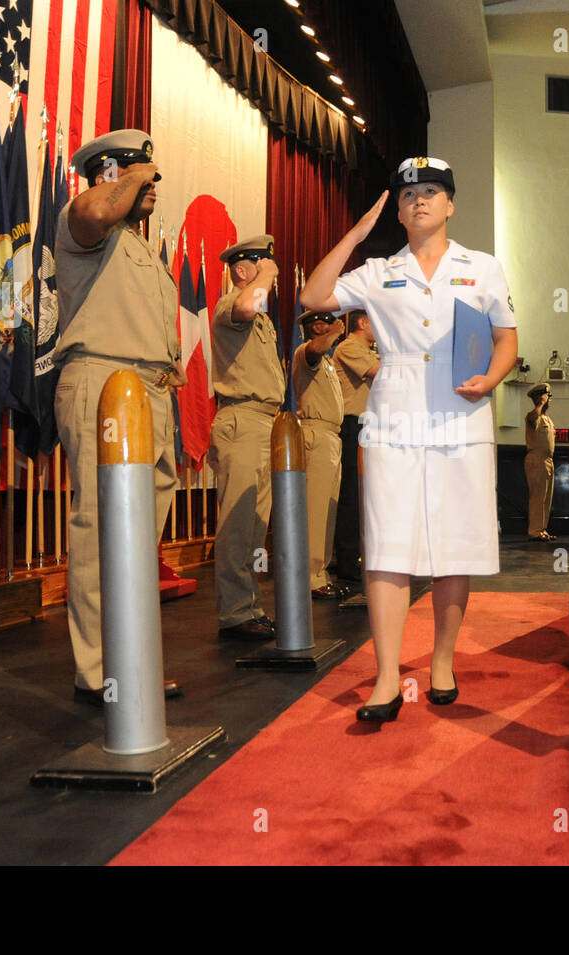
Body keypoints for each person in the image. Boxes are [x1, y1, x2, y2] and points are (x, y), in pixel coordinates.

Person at [299, 156, 519, 722]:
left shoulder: (484, 267)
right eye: (407, 194)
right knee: (387, 540)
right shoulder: (376, 270)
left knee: (454, 542)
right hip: (394, 413)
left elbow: (506, 342)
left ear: (450, 204)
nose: (419, 200)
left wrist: (491, 380)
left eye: (431, 191)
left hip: (460, 412)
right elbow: (313, 297)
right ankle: (387, 676)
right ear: (396, 210)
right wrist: (356, 233)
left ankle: (443, 660)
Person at [52, 128, 182, 705]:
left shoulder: (136, 246)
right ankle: (100, 670)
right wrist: (131, 175)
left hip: (149, 391)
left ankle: (128, 658)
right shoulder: (87, 224)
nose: (154, 182)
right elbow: (93, 208)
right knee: (102, 531)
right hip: (105, 382)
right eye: (142, 171)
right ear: (112, 173)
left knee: (136, 538)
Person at [210, 235, 286, 639]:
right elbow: (244, 304)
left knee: (256, 527)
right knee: (238, 523)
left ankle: (248, 606)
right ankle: (235, 612)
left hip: (265, 421)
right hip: (241, 419)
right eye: (264, 264)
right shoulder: (233, 303)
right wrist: (269, 273)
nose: (270, 271)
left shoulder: (263, 320)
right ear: (243, 270)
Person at [291, 310, 347, 599]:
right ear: (313, 327)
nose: (326, 326)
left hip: (331, 435)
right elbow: (316, 348)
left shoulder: (326, 362)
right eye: (321, 323)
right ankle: (310, 578)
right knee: (315, 510)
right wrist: (335, 332)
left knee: (327, 508)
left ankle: (319, 573)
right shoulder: (307, 353)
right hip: (315, 432)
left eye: (329, 322)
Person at [332, 309, 380, 586]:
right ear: (362, 322)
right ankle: (347, 561)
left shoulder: (366, 350)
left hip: (366, 426)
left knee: (364, 495)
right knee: (351, 494)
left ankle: (359, 556)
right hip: (353, 425)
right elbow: (378, 372)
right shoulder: (350, 346)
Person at [524, 382, 556, 541]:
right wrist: (541, 403)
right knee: (538, 496)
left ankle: (542, 529)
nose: (549, 400)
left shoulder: (547, 419)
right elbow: (532, 419)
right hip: (537, 459)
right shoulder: (532, 416)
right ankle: (535, 531)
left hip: (548, 460)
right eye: (547, 397)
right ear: (539, 398)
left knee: (546, 498)